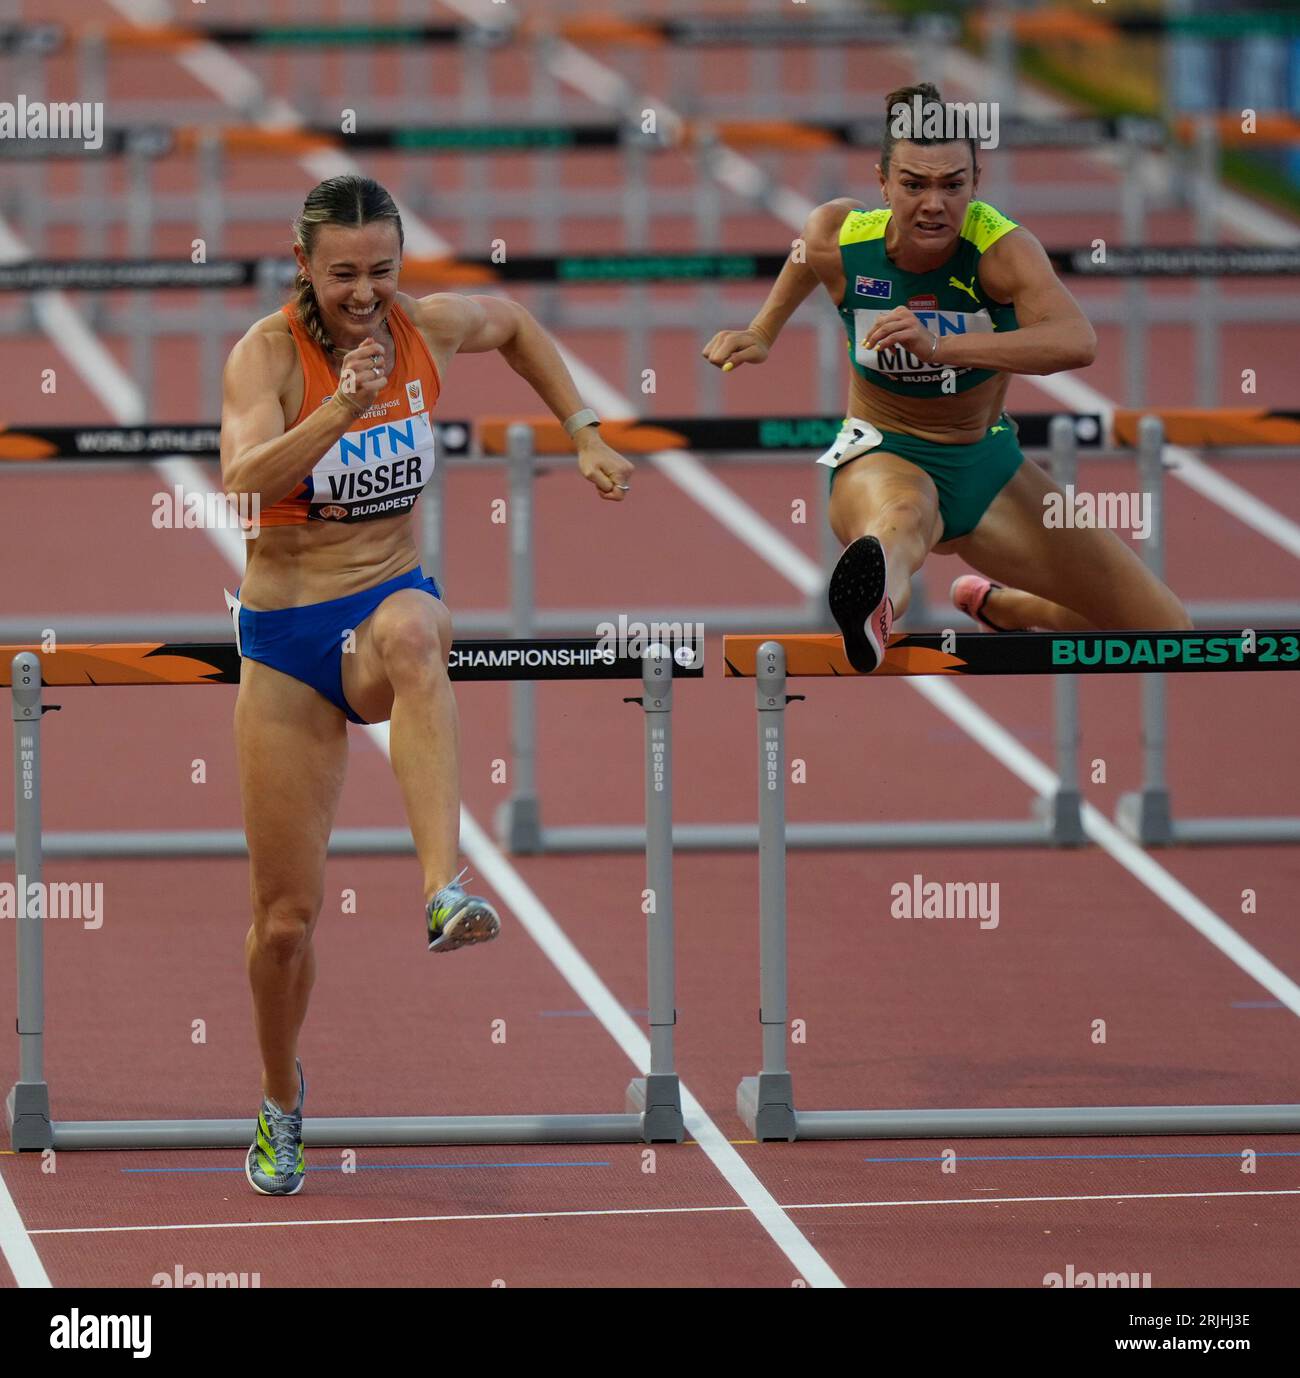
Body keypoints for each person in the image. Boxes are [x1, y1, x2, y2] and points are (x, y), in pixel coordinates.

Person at [220, 174, 634, 1195]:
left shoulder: (428, 327)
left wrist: (581, 425)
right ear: (305, 266)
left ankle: (444, 888)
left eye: (381, 271)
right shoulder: (265, 354)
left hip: (385, 604)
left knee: (417, 631)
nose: (365, 293)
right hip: (285, 636)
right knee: (283, 923)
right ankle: (280, 1097)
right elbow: (243, 477)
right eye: (343, 274)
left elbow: (520, 323)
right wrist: (341, 410)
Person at [702, 82, 1190, 672]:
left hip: (988, 464)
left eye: (952, 185)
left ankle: (1012, 609)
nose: (933, 204)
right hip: (883, 451)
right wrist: (762, 331)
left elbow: (1076, 341)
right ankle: (874, 603)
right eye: (913, 184)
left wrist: (941, 346)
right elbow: (805, 256)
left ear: (976, 182)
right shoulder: (840, 234)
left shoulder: (1002, 249)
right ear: (882, 182)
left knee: (1167, 633)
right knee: (904, 520)